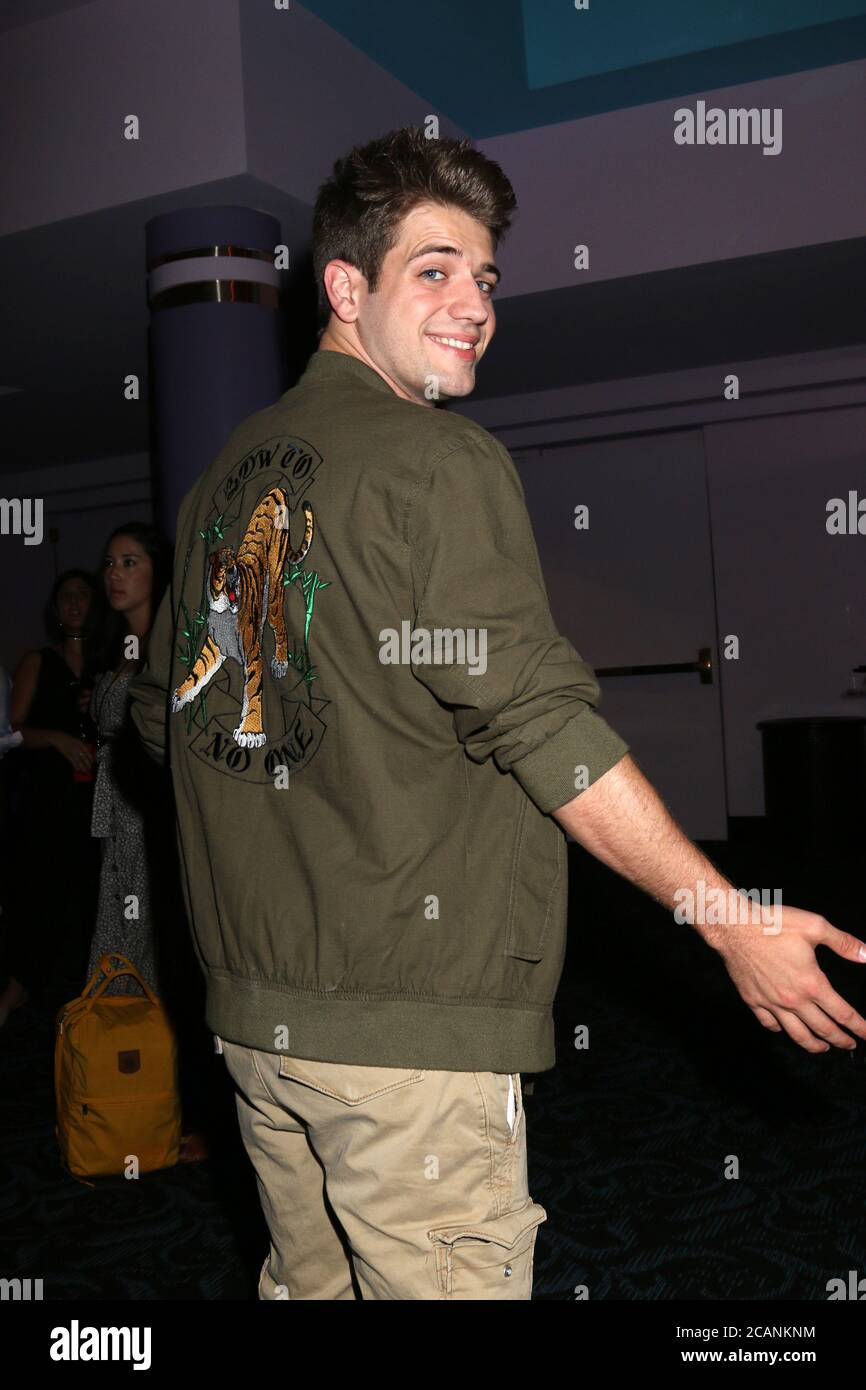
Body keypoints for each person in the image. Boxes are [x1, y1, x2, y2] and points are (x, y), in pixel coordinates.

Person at [127, 127, 866, 1301]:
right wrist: (727, 917)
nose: (472, 303)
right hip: (407, 1038)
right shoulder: (436, 459)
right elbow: (538, 719)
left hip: (257, 1029)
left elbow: (167, 724)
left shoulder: (222, 482)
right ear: (344, 286)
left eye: (484, 277)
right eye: (433, 270)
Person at [86, 522, 210, 1160]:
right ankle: (136, 1104)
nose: (114, 574)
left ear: (154, 573)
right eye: (109, 563)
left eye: (129, 562)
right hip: (121, 826)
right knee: (129, 960)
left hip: (158, 819)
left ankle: (195, 1118)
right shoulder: (116, 645)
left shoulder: (171, 644)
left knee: (174, 965)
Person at [0, 570, 101, 1025]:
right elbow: (13, 729)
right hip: (49, 800)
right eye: (66, 596)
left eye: (83, 594)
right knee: (38, 896)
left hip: (100, 800)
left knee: (97, 901)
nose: (75, 602)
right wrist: (60, 740)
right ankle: (18, 991)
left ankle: (100, 1003)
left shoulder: (112, 661)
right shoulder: (38, 661)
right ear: (55, 611)